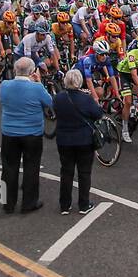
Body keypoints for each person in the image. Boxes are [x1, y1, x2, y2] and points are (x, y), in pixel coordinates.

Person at [0, 57, 53, 214]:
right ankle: (29, 203)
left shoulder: (5, 85)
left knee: (8, 167)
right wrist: (38, 82)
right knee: (31, 167)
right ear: (32, 72)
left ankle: (7, 203)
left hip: (9, 132)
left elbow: (1, 99)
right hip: (32, 133)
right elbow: (50, 102)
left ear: (15, 70)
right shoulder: (36, 88)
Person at [53, 68, 103, 215]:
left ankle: (64, 204)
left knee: (66, 172)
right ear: (79, 82)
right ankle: (84, 203)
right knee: (84, 173)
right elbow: (98, 114)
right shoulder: (85, 98)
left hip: (64, 139)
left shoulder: (59, 98)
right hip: (84, 139)